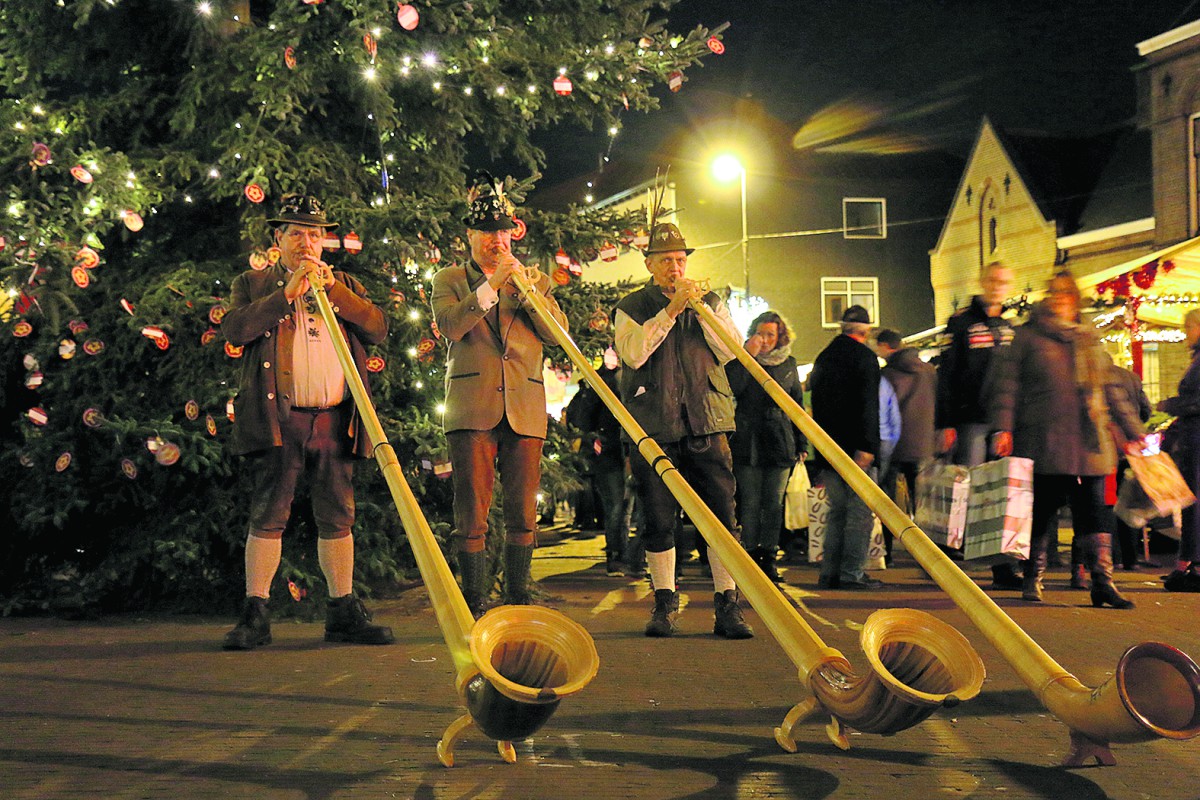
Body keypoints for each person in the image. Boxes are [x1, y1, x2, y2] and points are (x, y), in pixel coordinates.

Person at [222, 193, 394, 650]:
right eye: (296, 233)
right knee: (269, 512)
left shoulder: (344, 284)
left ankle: (342, 610)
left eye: (315, 234)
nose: (307, 242)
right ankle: (255, 612)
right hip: (282, 417)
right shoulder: (254, 283)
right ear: (278, 240)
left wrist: (334, 292)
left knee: (338, 514)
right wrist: (286, 295)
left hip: (336, 417)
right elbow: (235, 331)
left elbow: (377, 329)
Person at [431, 173, 568, 617]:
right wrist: (490, 288)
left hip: (524, 408)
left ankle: (518, 594)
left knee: (523, 509)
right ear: (470, 236)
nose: (497, 239)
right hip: (473, 407)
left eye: (504, 231)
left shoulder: (536, 281)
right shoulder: (448, 278)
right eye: (487, 231)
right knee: (471, 510)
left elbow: (558, 336)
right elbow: (451, 326)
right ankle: (473, 599)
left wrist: (526, 294)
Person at [614, 221, 754, 639]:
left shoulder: (710, 300)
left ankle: (727, 605)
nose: (676, 268)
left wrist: (700, 310)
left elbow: (732, 350)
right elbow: (635, 354)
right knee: (658, 518)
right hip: (652, 425)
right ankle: (664, 603)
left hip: (707, 420)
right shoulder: (631, 306)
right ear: (650, 265)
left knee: (722, 518)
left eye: (680, 260)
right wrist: (671, 312)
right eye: (666, 261)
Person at [989, 270, 1146, 607]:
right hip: (1045, 437)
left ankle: (1102, 583)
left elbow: (1112, 389)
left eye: (1066, 293)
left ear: (1075, 299)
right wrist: (1003, 428)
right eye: (1054, 292)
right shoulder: (1028, 337)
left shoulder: (1088, 338)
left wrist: (1135, 433)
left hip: (1090, 441)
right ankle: (1033, 577)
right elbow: (1007, 385)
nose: (1059, 298)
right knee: (1043, 511)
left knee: (1093, 513)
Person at [935, 261, 1021, 588]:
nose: (998, 285)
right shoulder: (960, 325)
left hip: (1002, 424)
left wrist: (1011, 424)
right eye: (993, 280)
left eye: (1004, 281)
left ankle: (1002, 567)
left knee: (1001, 498)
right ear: (983, 281)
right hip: (969, 421)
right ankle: (949, 560)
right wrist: (945, 423)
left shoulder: (1010, 326)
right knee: (965, 495)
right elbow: (946, 376)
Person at [726, 311, 807, 583]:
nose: (765, 340)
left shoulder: (789, 364)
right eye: (761, 333)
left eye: (770, 334)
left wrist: (801, 442)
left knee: (773, 502)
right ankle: (748, 555)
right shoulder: (742, 359)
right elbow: (733, 388)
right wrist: (747, 357)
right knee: (749, 502)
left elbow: (796, 405)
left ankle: (769, 556)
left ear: (780, 336)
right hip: (747, 440)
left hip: (780, 440)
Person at [809, 304, 883, 590]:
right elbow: (868, 406)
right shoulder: (865, 358)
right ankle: (852, 573)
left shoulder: (824, 357)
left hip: (829, 448)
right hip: (855, 448)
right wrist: (867, 445)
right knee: (860, 512)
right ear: (866, 330)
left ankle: (830, 573)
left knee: (837, 512)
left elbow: (814, 404)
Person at [568, 347, 631, 576]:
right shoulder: (599, 383)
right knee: (617, 506)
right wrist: (597, 441)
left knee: (626, 506)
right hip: (610, 450)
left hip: (628, 449)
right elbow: (584, 419)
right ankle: (617, 555)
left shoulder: (634, 375)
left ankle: (627, 555)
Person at [876, 329, 936, 535]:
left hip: (893, 443)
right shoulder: (928, 371)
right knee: (921, 498)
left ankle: (889, 547)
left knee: (887, 499)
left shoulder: (887, 374)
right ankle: (925, 546)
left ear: (885, 346)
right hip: (923, 442)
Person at [1159, 308, 1200, 591]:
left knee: (1193, 502)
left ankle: (1193, 565)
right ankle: (1186, 563)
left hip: (1196, 441)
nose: (1186, 333)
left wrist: (1169, 405)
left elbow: (1196, 401)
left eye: (1189, 327)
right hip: (1191, 439)